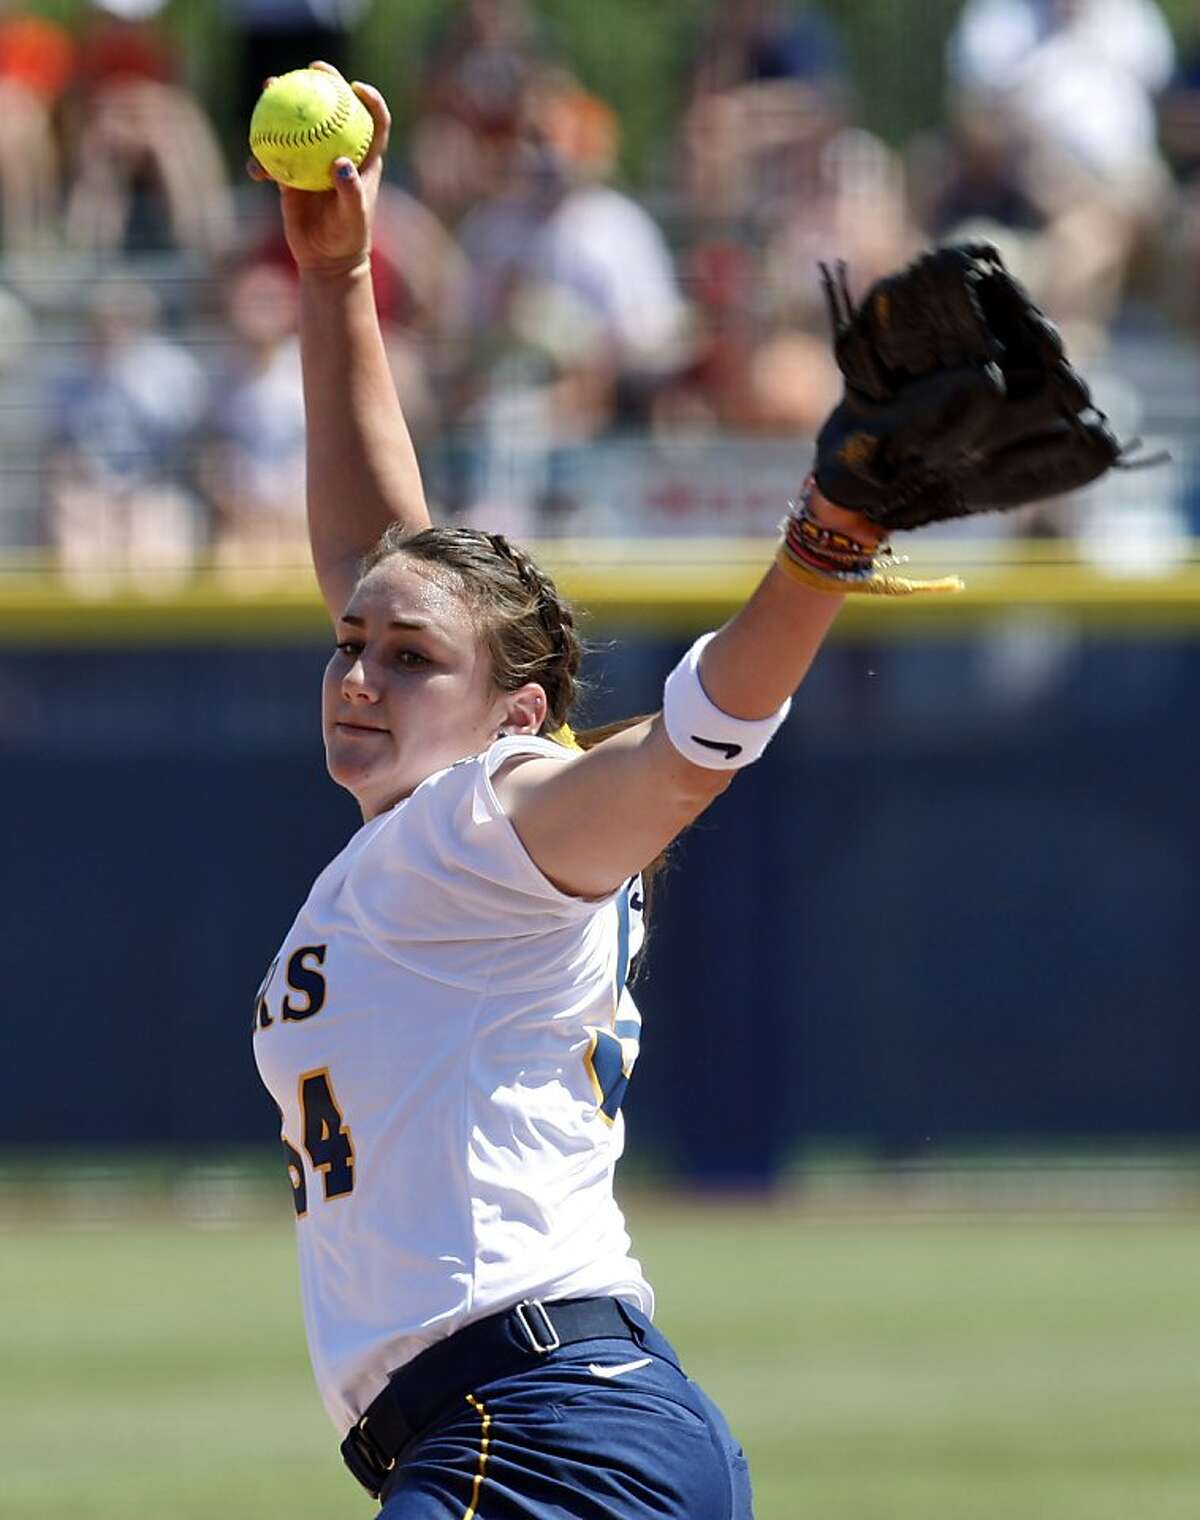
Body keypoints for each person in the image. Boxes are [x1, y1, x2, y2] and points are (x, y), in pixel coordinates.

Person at [248, 68, 889, 1517]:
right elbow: (379, 553)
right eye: (350, 647)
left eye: (408, 661)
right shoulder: (431, 851)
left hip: (537, 1435)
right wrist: (339, 278)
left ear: (516, 717)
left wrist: (824, 547)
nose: (357, 671)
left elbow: (685, 757)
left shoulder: (495, 818)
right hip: (545, 1429)